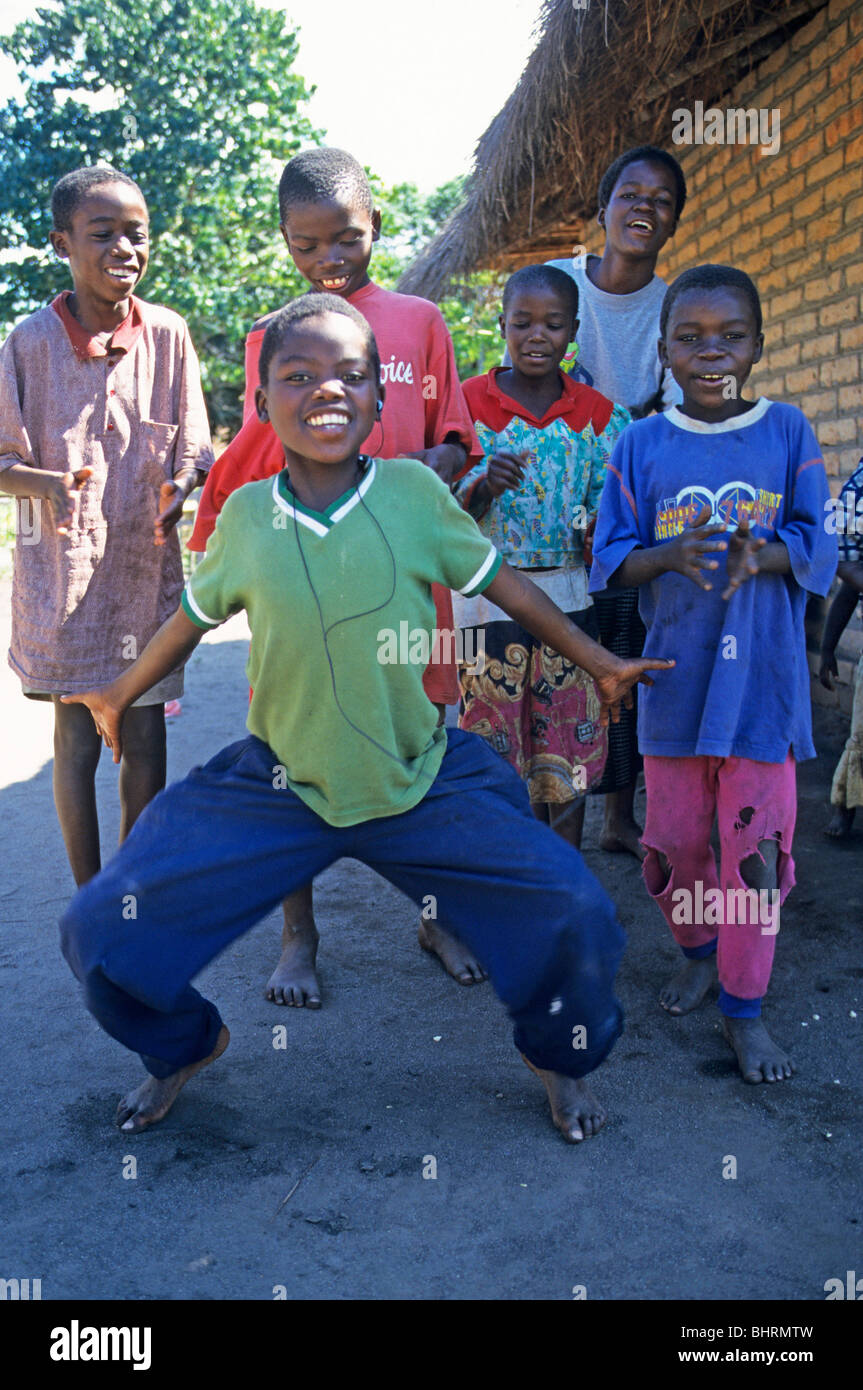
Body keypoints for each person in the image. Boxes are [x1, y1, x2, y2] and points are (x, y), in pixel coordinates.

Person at [59, 298, 673, 1141]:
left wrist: (599, 660)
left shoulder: (416, 494)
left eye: (352, 374)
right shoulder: (245, 516)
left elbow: (506, 586)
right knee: (100, 931)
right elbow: (189, 620)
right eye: (298, 375)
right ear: (264, 401)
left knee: (577, 913)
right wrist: (117, 691)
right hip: (280, 782)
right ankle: (181, 1048)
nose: (327, 391)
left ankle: (556, 1055)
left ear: (381, 398)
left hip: (419, 771)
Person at [188, 148, 484, 1003]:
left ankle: (434, 915)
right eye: (309, 245)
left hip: (403, 584)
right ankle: (298, 937)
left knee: (423, 748)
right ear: (286, 245)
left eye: (346, 240)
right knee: (292, 761)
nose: (330, 260)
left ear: (375, 229)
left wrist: (426, 463)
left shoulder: (420, 321)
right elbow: (254, 458)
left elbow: (453, 435)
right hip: (306, 587)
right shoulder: (268, 340)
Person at [589, 265, 837, 1084]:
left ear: (758, 345)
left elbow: (819, 544)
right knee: (671, 847)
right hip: (673, 687)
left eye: (730, 335)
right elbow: (611, 561)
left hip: (761, 693)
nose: (710, 351)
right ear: (661, 350)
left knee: (753, 855)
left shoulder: (788, 432)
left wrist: (761, 554)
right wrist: (669, 554)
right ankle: (696, 948)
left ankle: (743, 1007)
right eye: (689, 337)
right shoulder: (640, 443)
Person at [0, 166, 212, 886]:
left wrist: (180, 486)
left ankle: (135, 884)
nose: (125, 246)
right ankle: (90, 892)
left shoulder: (169, 335)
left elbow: (193, 447)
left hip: (142, 578)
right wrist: (49, 486)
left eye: (136, 233)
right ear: (61, 242)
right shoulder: (29, 345)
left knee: (147, 730)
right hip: (60, 581)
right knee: (75, 736)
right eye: (103, 234)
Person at [454, 264, 630, 849]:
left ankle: (564, 872)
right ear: (501, 324)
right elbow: (438, 513)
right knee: (493, 743)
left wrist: (591, 529)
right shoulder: (465, 407)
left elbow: (603, 514)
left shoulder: (601, 418)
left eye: (553, 324)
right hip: (483, 606)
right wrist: (482, 487)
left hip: (568, 600)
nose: (537, 335)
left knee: (568, 743)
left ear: (573, 330)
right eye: (523, 322)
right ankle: (509, 871)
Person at [545, 146, 688, 860]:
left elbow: (668, 406)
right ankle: (548, 811)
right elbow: (537, 373)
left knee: (624, 645)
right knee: (563, 648)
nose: (643, 208)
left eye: (660, 201)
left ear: (671, 225)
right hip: (555, 492)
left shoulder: (672, 304)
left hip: (635, 495)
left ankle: (617, 816)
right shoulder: (561, 285)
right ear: (602, 210)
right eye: (629, 194)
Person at [820, 456, 863, 837]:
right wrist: (829, 649)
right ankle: (844, 807)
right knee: (861, 733)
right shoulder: (858, 490)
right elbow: (848, 578)